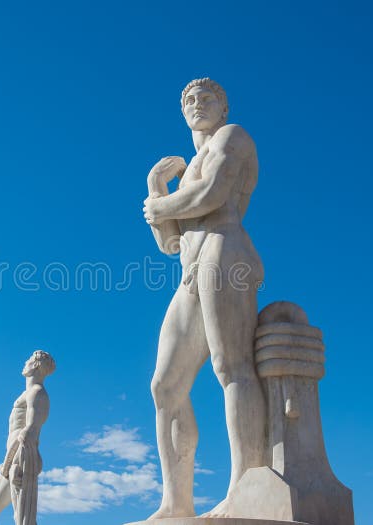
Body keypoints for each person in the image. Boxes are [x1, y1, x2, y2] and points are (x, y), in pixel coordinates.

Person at [142, 78, 265, 519]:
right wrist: (157, 186)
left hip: (225, 250)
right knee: (165, 386)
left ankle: (245, 488)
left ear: (224, 106)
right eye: (188, 100)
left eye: (206, 98)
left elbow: (211, 194)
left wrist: (160, 206)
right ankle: (176, 504)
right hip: (190, 268)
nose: (197, 104)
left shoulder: (233, 137)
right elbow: (170, 243)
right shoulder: (189, 163)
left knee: (231, 367)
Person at [0, 351, 55, 525]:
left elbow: (28, 433)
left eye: (29, 360)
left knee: (22, 519)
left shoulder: (37, 392)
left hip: (20, 461)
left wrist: (13, 463)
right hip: (10, 463)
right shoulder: (27, 393)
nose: (25, 362)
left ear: (35, 365)